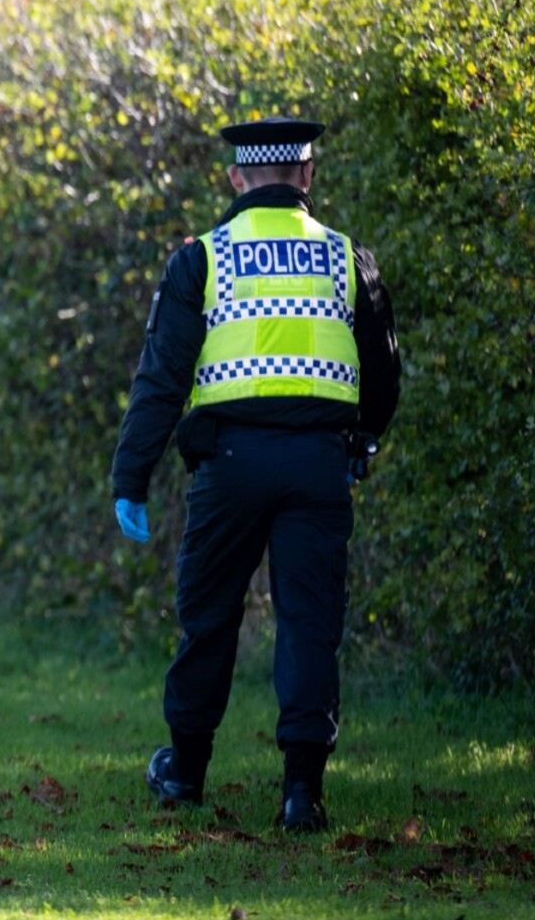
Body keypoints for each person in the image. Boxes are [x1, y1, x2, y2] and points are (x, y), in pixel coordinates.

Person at [110, 116, 401, 834]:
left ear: (237, 177)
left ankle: (184, 772)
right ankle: (302, 792)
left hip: (230, 466)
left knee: (207, 619)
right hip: (318, 466)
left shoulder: (201, 260)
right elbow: (385, 372)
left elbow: (161, 380)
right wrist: (361, 441)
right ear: (307, 176)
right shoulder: (345, 257)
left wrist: (131, 477)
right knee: (310, 625)